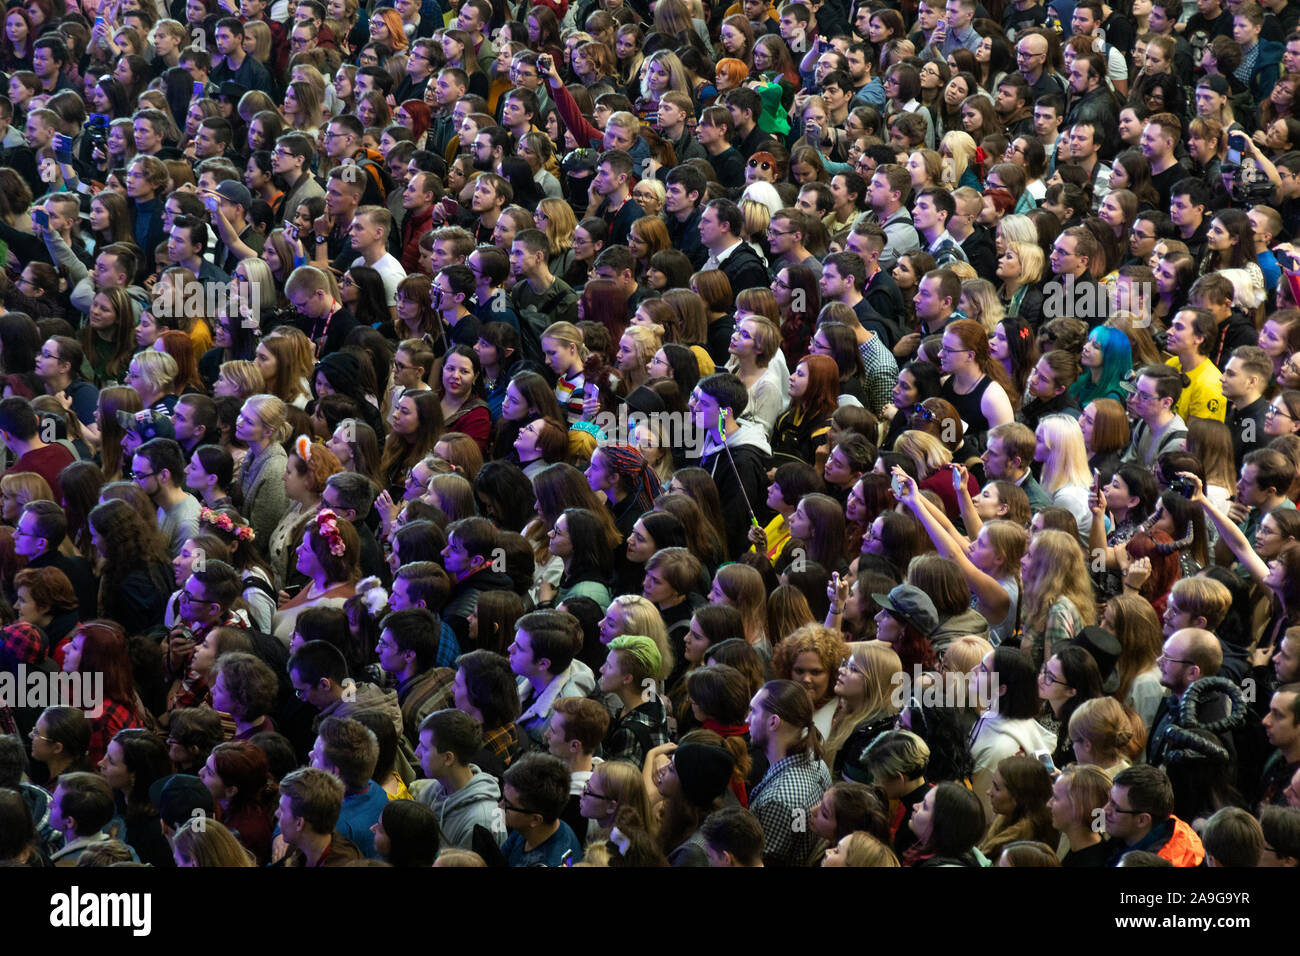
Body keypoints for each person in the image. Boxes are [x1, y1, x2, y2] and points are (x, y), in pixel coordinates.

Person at [746, 679, 833, 867]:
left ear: (773, 722)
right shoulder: (814, 758)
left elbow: (762, 862)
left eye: (753, 711)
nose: (747, 719)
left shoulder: (778, 800)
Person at [1105, 764, 1206, 866]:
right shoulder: (1166, 823)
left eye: (1116, 808)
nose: (1105, 810)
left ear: (1142, 820)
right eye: (1109, 800)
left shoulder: (1155, 862)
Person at [500, 753, 583, 866]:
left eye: (507, 804)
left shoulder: (550, 861)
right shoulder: (528, 828)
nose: (500, 806)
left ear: (535, 820)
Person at [274, 767, 365, 867]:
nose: (276, 813)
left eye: (282, 810)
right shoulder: (299, 846)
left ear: (299, 823)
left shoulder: (345, 863)